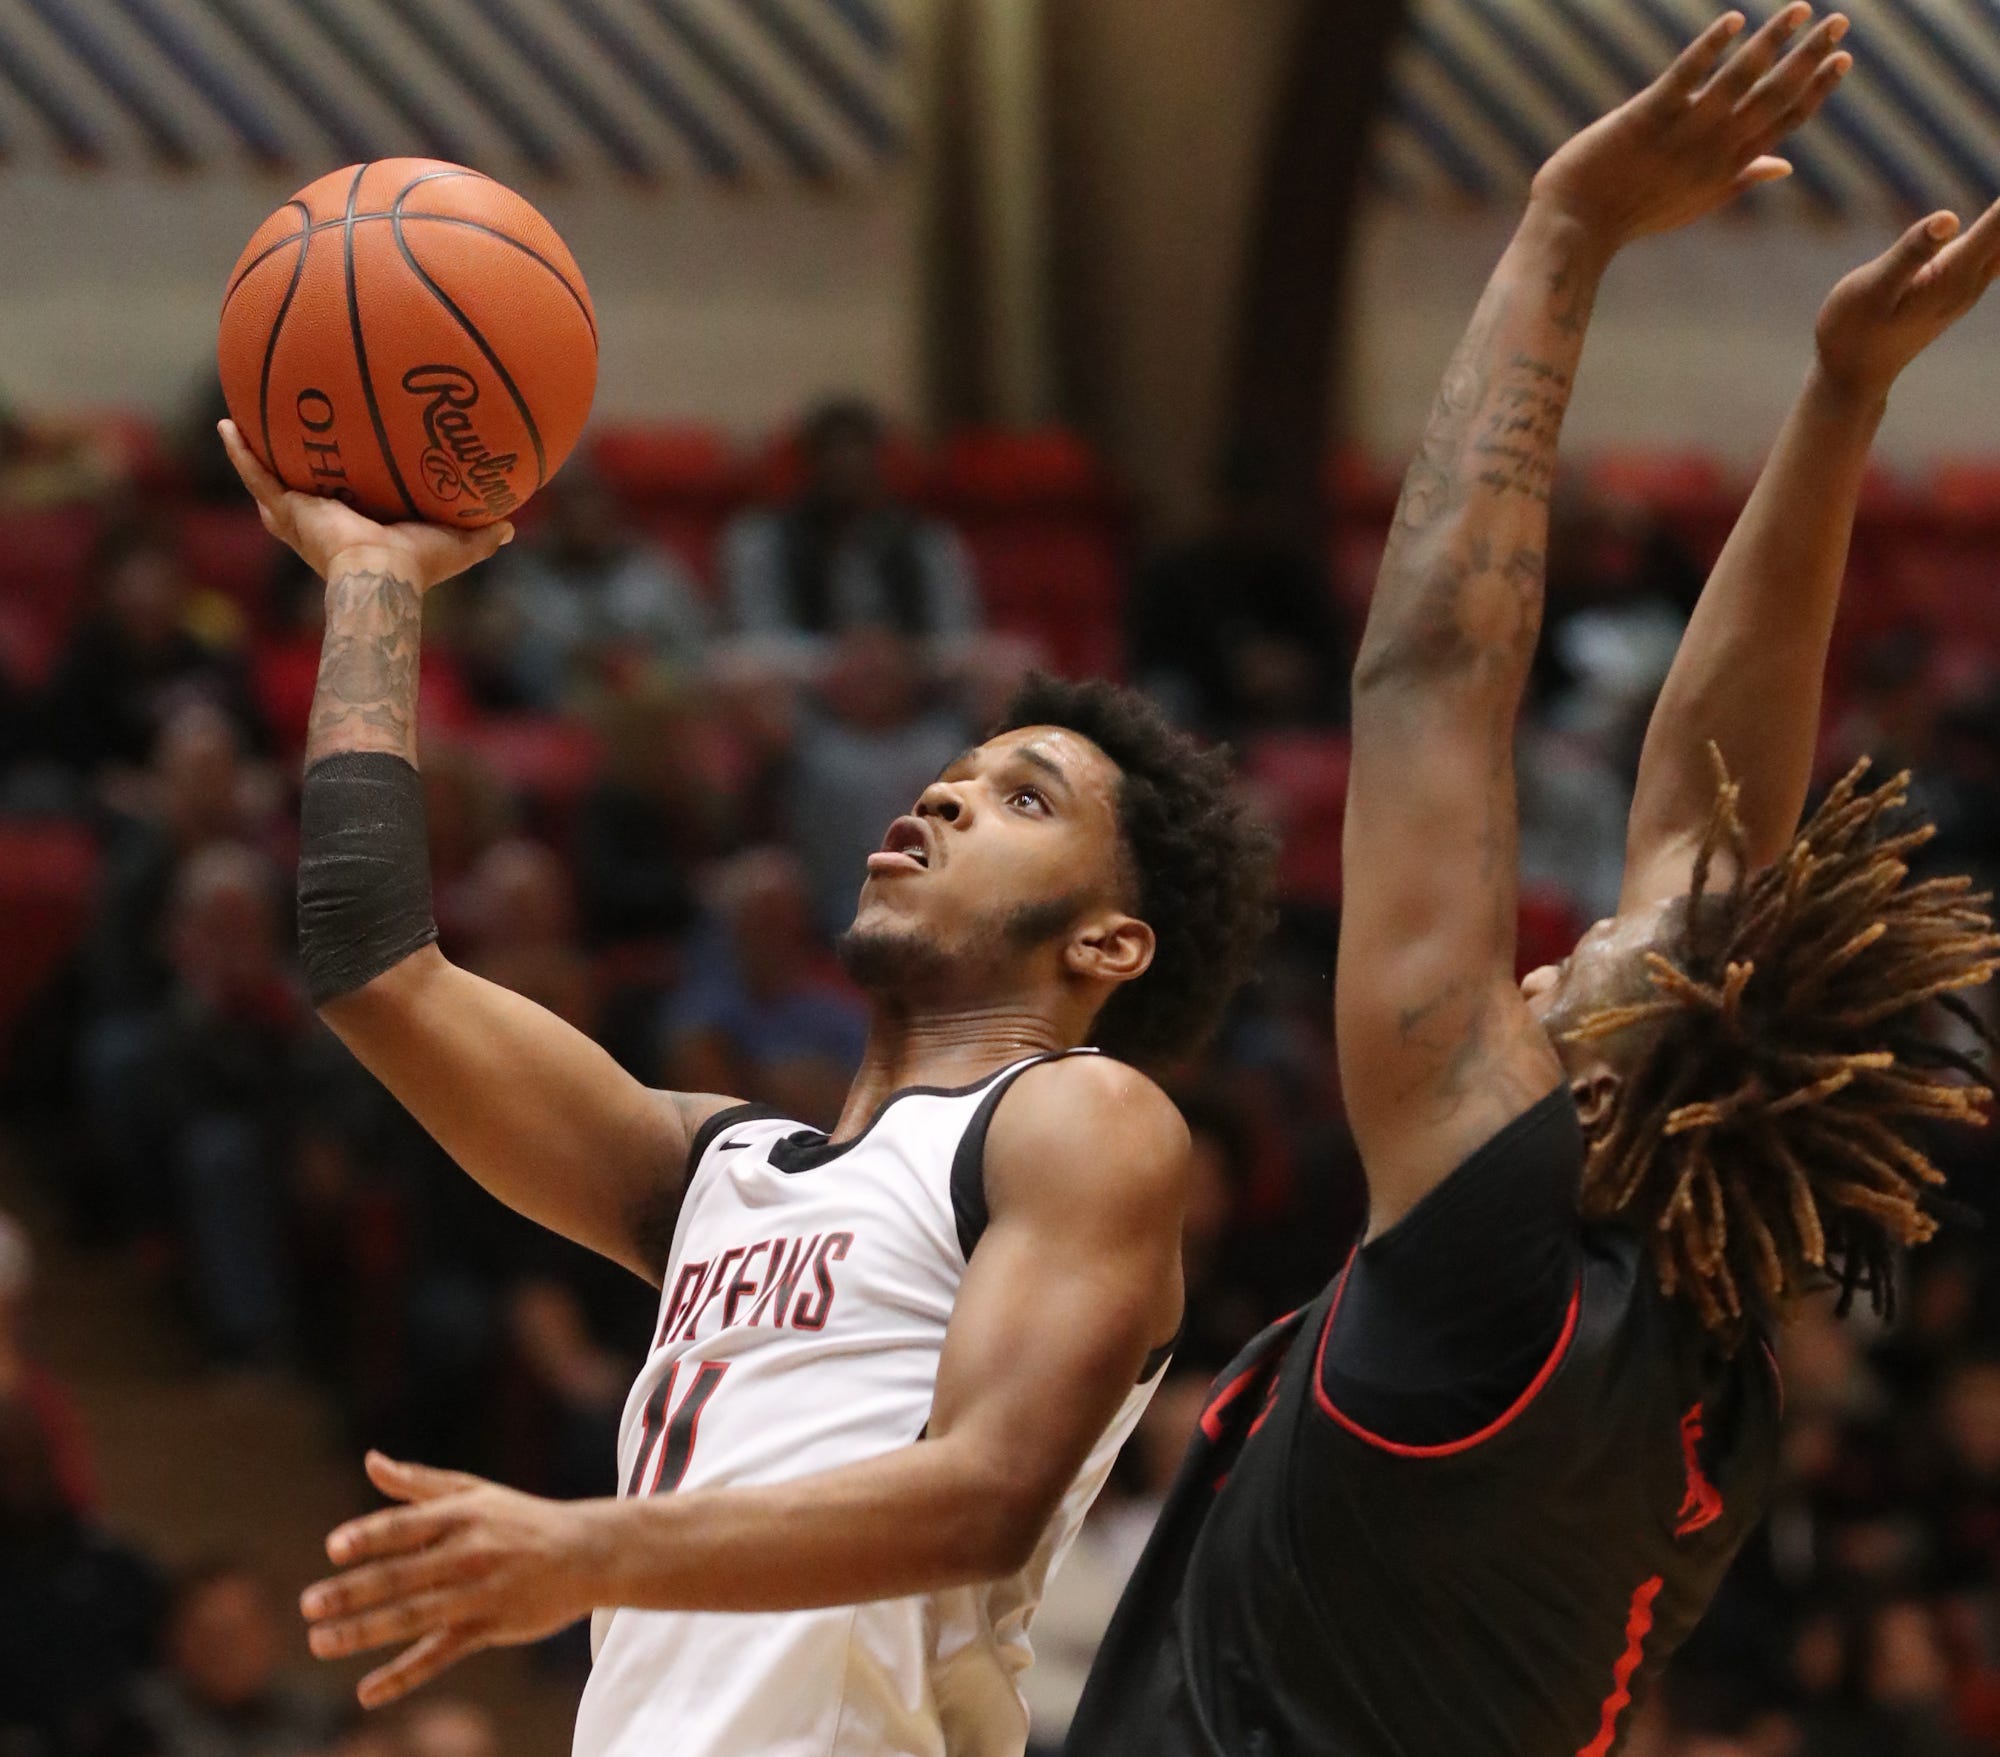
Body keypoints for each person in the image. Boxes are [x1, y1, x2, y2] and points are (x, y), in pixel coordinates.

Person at [1066, 13, 2000, 1754]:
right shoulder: (1714, 1377)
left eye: (1604, 962)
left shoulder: (1496, 1284)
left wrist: (1563, 232)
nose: (1561, 958)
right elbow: (1717, 814)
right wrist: (1840, 401)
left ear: (1602, 1085)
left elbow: (1431, 678)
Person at [213, 418, 1276, 1756]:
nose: (945, 800)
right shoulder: (715, 1166)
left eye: (1021, 801)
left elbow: (986, 1492)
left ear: (1107, 943)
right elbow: (374, 964)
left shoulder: (1081, 1117)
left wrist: (584, 1545)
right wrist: (370, 582)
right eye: (951, 777)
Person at [721, 398, 979, 663]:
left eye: (857, 450)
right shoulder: (763, 539)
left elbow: (955, 638)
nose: (845, 464)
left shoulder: (926, 541)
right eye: (832, 452)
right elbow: (760, 641)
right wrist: (842, 665)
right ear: (808, 465)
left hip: (913, 683)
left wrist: (889, 663)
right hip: (803, 684)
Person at [135, 1561, 345, 1757]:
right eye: (209, 1633)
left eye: (241, 1631)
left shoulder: (318, 1712)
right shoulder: (140, 1722)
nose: (226, 1649)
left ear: (275, 1635)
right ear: (176, 1638)